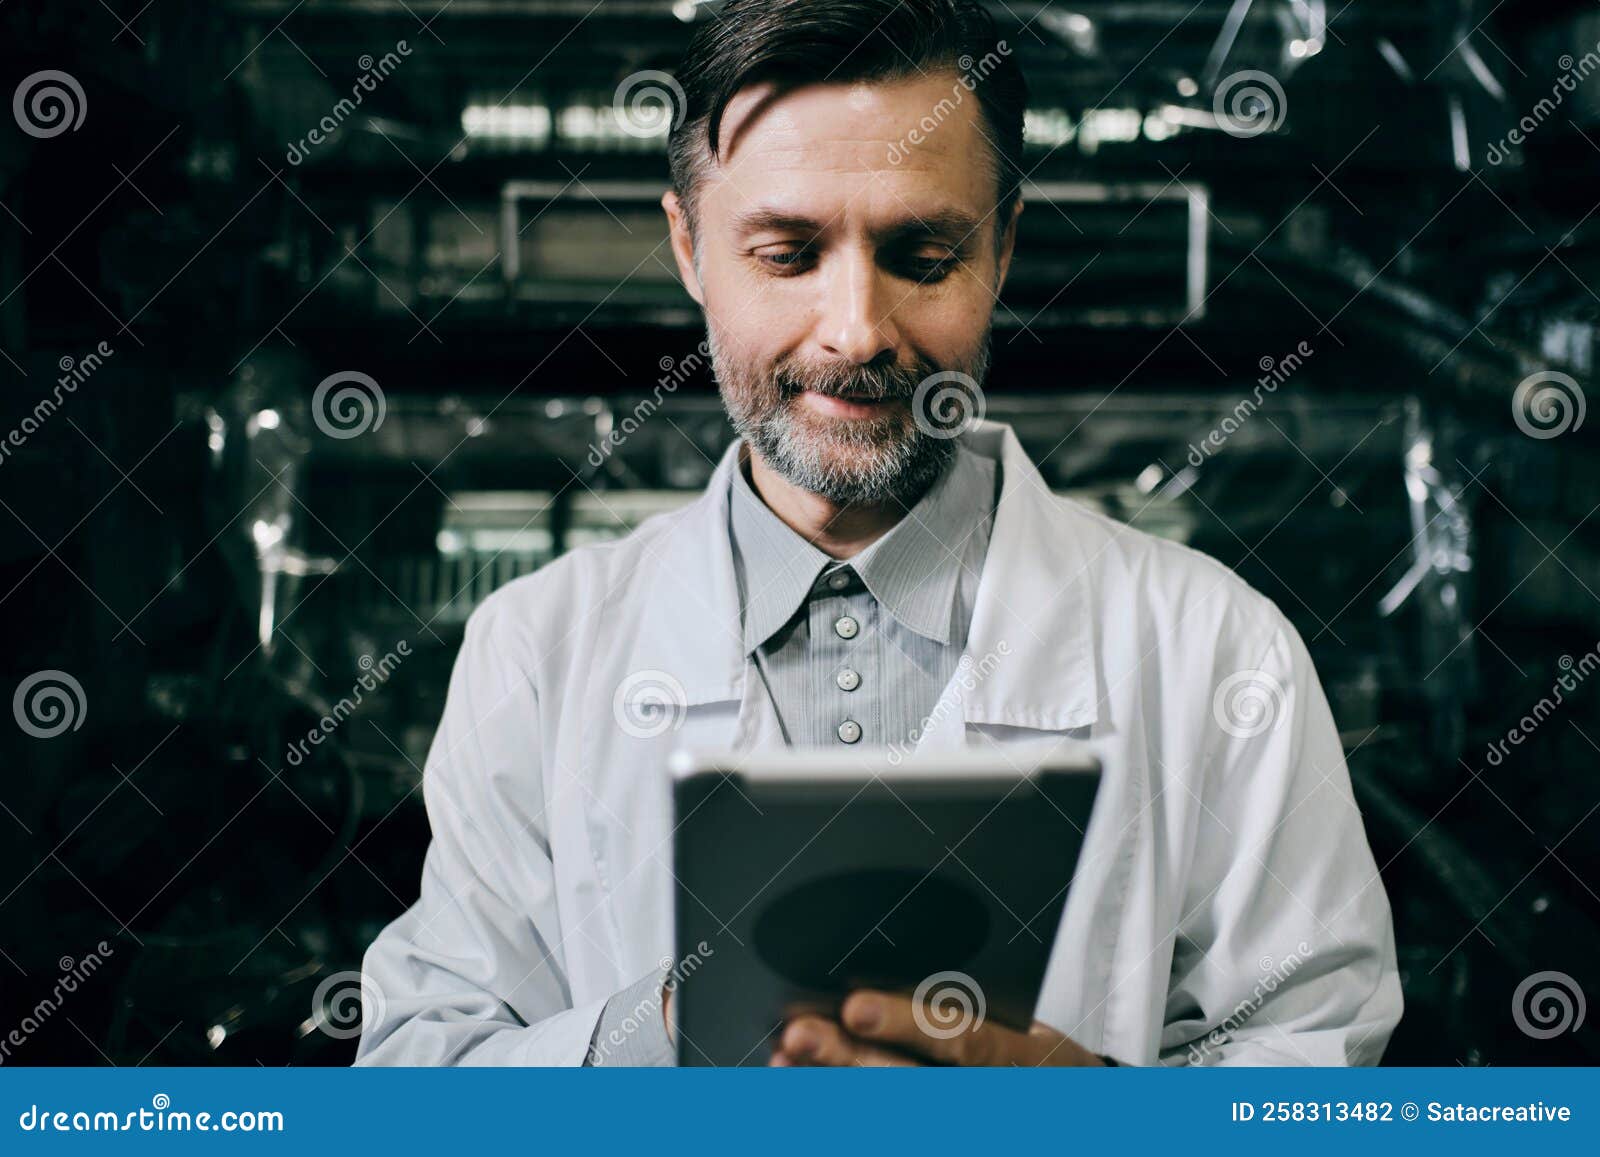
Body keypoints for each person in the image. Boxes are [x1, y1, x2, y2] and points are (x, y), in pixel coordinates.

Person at [355, 0, 1401, 1067]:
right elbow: (415, 1069)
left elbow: (1312, 1061)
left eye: (924, 254)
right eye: (786, 252)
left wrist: (1093, 1109)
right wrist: (659, 1031)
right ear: (687, 248)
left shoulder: (1217, 650)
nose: (855, 328)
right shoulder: (535, 652)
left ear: (1002, 246)